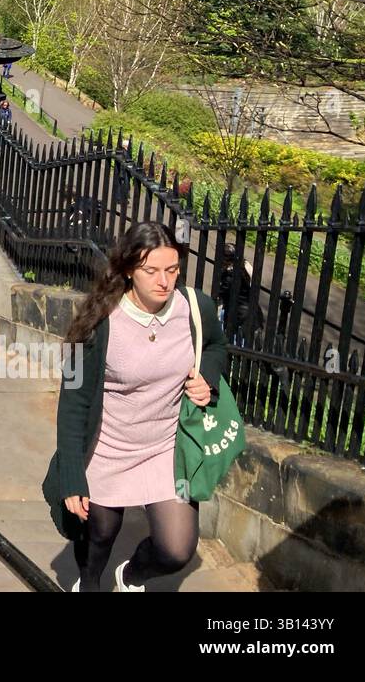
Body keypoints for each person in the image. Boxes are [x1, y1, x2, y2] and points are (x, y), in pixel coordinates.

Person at [42, 221, 224, 592]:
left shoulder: (194, 308)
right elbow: (73, 402)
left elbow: (216, 346)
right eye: (151, 270)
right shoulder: (99, 321)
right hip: (108, 448)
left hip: (165, 448)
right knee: (101, 533)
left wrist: (207, 377)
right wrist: (73, 476)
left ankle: (130, 577)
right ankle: (88, 582)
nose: (164, 281)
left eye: (172, 270)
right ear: (128, 269)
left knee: (177, 549)